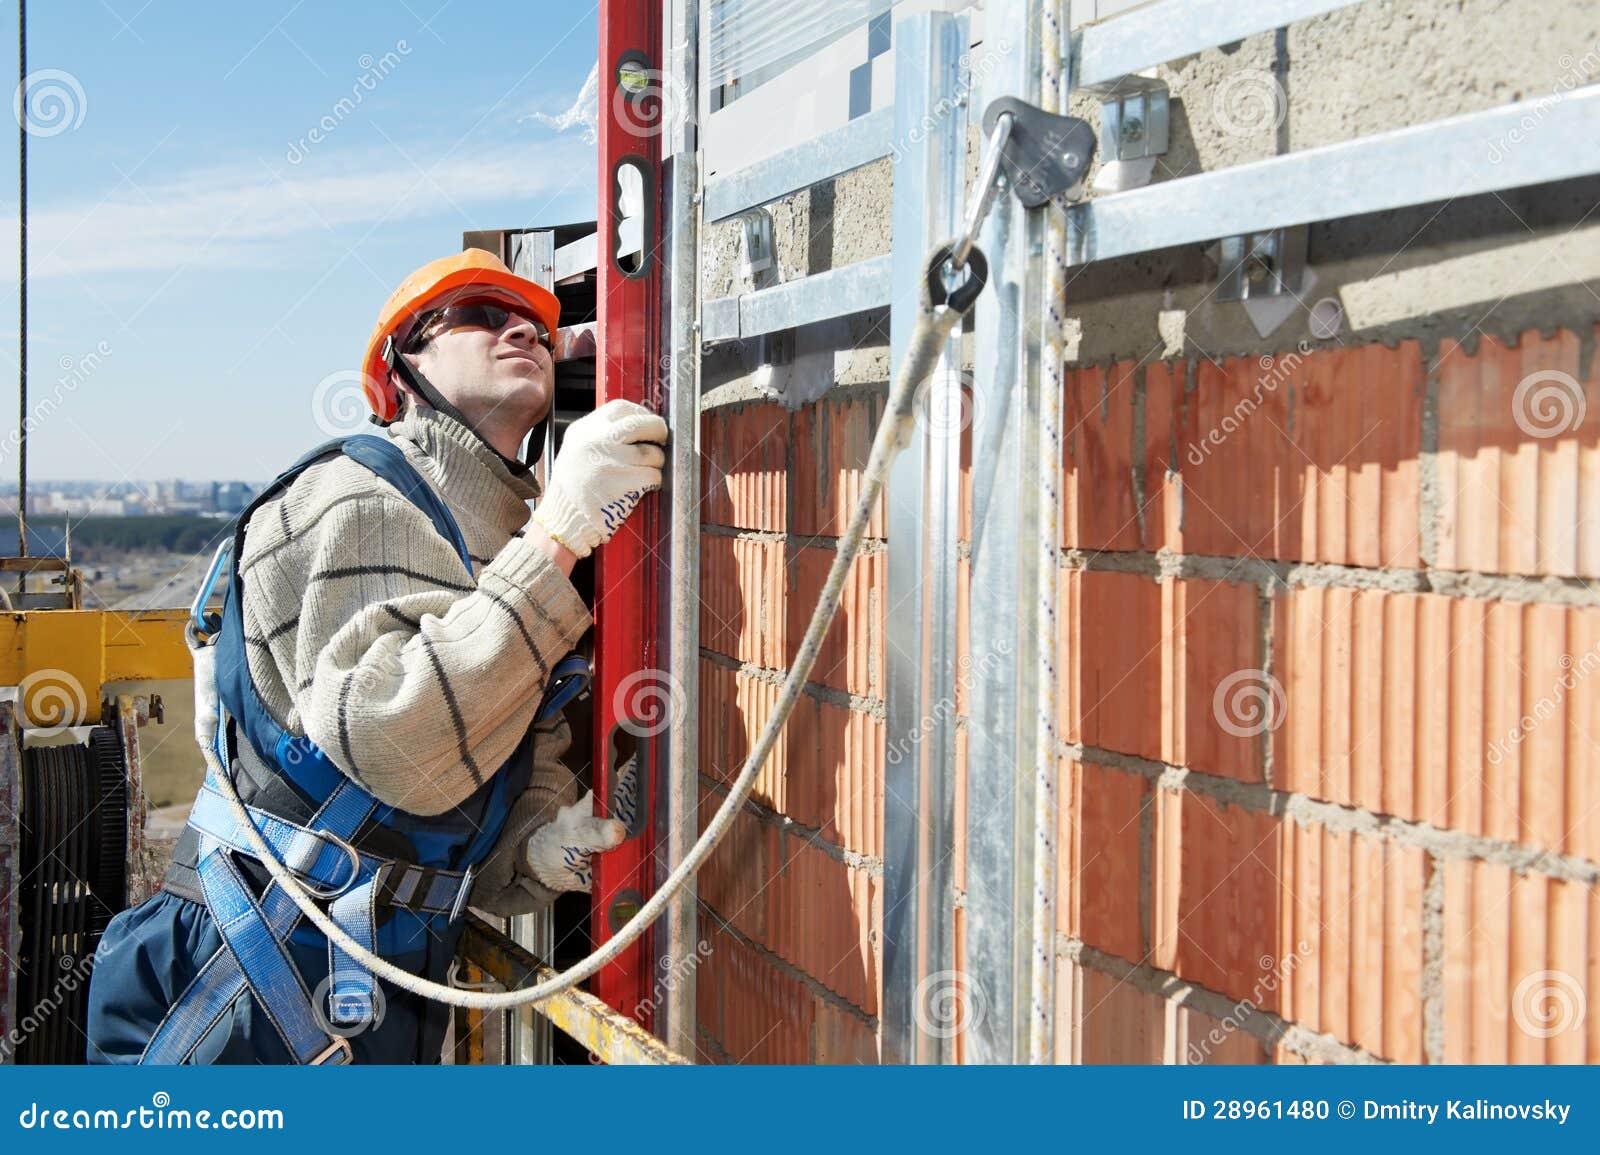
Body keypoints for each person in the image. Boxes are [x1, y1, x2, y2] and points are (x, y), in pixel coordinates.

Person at [86, 250, 668, 1064]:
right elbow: (396, 738)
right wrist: (560, 533)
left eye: (535, 324)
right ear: (404, 371)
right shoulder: (364, 497)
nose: (519, 330)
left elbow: (447, 805)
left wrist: (535, 847)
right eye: (477, 314)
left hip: (359, 980)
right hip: (245, 980)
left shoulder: (490, 540)